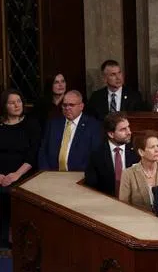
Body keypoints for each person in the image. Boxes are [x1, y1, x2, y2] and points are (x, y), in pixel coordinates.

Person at [0, 90, 40, 247]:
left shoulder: (31, 124)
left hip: (24, 174)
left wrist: (16, 174)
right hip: (1, 175)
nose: (17, 105)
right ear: (4, 106)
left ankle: (15, 237)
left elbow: (33, 154)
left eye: (19, 101)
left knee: (13, 194)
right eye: (12, 103)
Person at [38, 90, 101, 172]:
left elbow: (96, 155)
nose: (67, 108)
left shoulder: (93, 126)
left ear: (81, 106)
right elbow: (43, 151)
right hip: (52, 174)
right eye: (64, 105)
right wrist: (46, 172)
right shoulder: (53, 124)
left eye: (71, 105)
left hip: (80, 174)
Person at [83, 112, 138, 197]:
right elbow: (91, 185)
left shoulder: (136, 150)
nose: (129, 132)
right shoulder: (97, 154)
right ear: (111, 134)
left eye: (128, 127)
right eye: (123, 129)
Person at [119, 130, 158, 212]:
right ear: (141, 152)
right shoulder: (128, 174)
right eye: (152, 147)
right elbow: (123, 206)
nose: (157, 150)